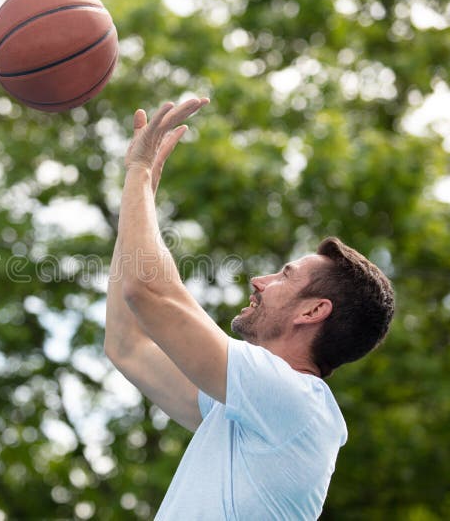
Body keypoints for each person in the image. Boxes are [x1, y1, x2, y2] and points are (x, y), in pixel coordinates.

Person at [104, 98, 395, 519]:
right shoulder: (244, 411)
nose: (260, 281)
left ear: (312, 312)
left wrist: (139, 171)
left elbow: (147, 290)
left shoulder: (297, 403)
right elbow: (127, 345)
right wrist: (140, 196)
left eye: (284, 276)